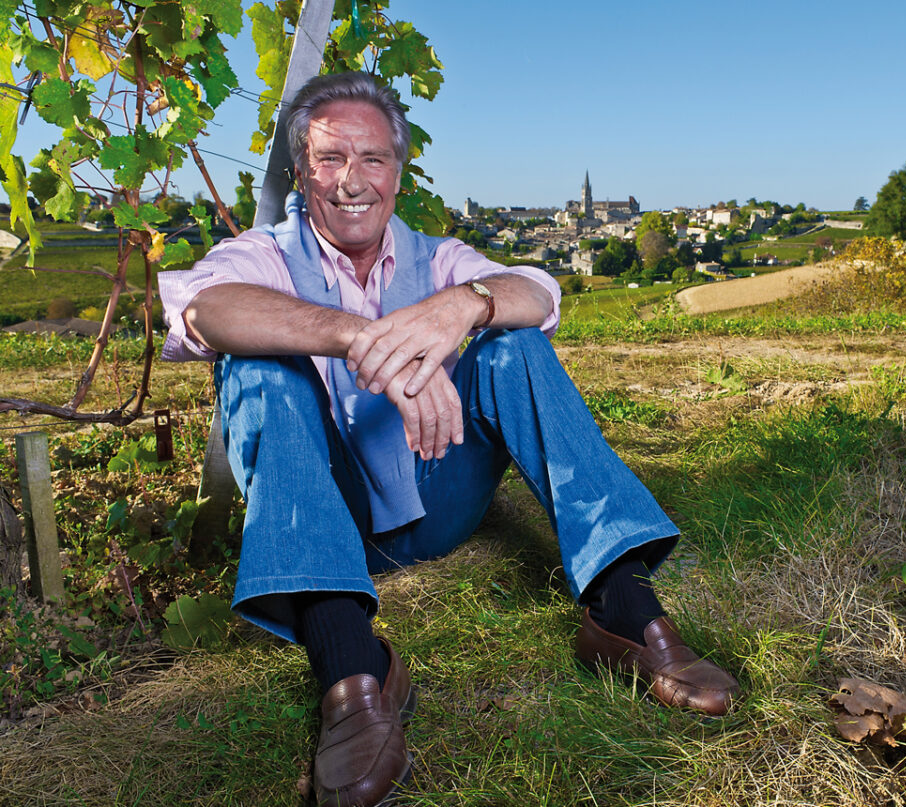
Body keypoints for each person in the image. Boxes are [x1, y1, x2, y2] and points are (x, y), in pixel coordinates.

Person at [160, 71, 738, 807]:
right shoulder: (267, 255)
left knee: (515, 342)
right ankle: (351, 665)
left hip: (439, 491)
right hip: (325, 518)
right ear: (302, 171)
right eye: (330, 159)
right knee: (257, 368)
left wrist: (465, 306)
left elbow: (540, 290)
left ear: (398, 173)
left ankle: (624, 607)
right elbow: (205, 309)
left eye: (372, 159)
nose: (351, 181)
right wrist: (368, 341)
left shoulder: (438, 258)